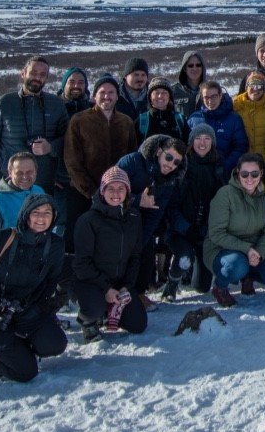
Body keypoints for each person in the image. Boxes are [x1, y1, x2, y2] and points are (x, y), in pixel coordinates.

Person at [0, 193, 66, 382]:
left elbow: (53, 279)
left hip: (27, 309)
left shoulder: (55, 245)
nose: (41, 218)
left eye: (47, 213)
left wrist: (48, 303)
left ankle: (17, 348)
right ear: (26, 215)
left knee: (55, 344)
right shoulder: (4, 238)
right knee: (26, 372)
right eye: (36, 212)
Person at [63, 74, 138, 253]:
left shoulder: (126, 122)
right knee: (80, 241)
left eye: (111, 92)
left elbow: (132, 158)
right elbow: (72, 161)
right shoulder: (79, 121)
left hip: (116, 195)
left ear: (117, 96)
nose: (107, 96)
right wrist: (93, 193)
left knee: (108, 243)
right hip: (84, 194)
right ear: (94, 95)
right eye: (102, 92)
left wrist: (120, 191)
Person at [72, 167, 147, 342]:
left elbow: (136, 256)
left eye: (121, 189)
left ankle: (110, 312)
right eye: (110, 188)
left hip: (120, 282)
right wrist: (106, 289)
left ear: (127, 191)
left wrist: (126, 287)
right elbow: (81, 263)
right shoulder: (88, 220)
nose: (116, 193)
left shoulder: (134, 217)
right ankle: (88, 321)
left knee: (138, 324)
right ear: (102, 190)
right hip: (92, 283)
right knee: (94, 308)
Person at [116, 134, 188, 310]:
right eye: (168, 157)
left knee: (145, 254)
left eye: (176, 162)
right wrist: (136, 200)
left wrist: (140, 243)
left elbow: (156, 213)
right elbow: (108, 192)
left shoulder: (169, 180)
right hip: (115, 221)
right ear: (158, 152)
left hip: (140, 224)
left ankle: (139, 293)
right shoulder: (132, 162)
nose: (170, 165)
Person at [0, 55, 69, 198]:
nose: (37, 78)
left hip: (44, 184)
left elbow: (69, 140)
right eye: (33, 73)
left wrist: (50, 147)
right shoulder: (4, 103)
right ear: (23, 74)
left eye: (42, 75)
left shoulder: (56, 105)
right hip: (10, 185)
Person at [205, 154, 265, 307]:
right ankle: (220, 286)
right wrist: (247, 249)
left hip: (254, 247)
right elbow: (216, 234)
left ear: (261, 173)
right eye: (244, 174)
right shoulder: (225, 194)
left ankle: (248, 277)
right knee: (237, 265)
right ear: (237, 173)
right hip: (222, 248)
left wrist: (259, 252)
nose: (250, 178)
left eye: (254, 174)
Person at [161, 124, 221, 299]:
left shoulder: (218, 166)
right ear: (191, 142)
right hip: (181, 229)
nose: (202, 143)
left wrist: (207, 228)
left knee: (201, 287)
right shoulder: (181, 166)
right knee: (184, 257)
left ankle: (194, 271)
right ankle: (172, 284)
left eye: (207, 138)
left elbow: (221, 202)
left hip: (204, 231)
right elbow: (171, 205)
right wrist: (185, 228)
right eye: (198, 138)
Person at [0, 152, 45, 249]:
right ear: (10, 173)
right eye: (19, 173)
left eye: (29, 172)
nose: (25, 176)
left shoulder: (39, 192)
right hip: (9, 260)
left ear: (36, 172)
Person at [188, 80, 249, 174]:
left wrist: (225, 165)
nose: (210, 101)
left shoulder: (234, 119)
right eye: (206, 97)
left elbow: (241, 146)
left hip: (224, 172)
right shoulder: (194, 118)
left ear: (220, 96)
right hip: (198, 172)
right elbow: (188, 146)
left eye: (214, 96)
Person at [233, 71, 265, 164]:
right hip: (241, 161)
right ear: (246, 87)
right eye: (252, 86)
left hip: (263, 161)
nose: (255, 90)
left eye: (259, 86)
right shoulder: (236, 106)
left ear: (264, 88)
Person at [136, 77, 188, 142]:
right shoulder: (142, 120)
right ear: (150, 97)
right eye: (156, 93)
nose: (160, 96)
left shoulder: (179, 119)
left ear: (169, 97)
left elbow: (187, 146)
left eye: (164, 92)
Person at [172, 51, 208, 119]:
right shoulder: (173, 92)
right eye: (190, 65)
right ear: (185, 68)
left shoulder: (211, 90)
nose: (194, 68)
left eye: (198, 65)